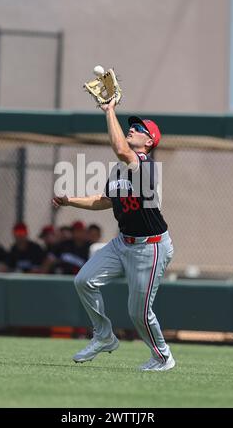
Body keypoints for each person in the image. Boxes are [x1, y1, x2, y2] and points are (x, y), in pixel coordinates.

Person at [52, 98, 175, 372]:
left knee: (139, 313)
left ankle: (163, 357)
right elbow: (104, 200)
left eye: (139, 129)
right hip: (123, 242)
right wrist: (70, 200)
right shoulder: (121, 169)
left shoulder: (143, 165)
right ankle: (104, 335)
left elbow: (120, 148)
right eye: (131, 127)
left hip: (150, 246)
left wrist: (109, 110)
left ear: (149, 142)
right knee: (84, 280)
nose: (132, 130)